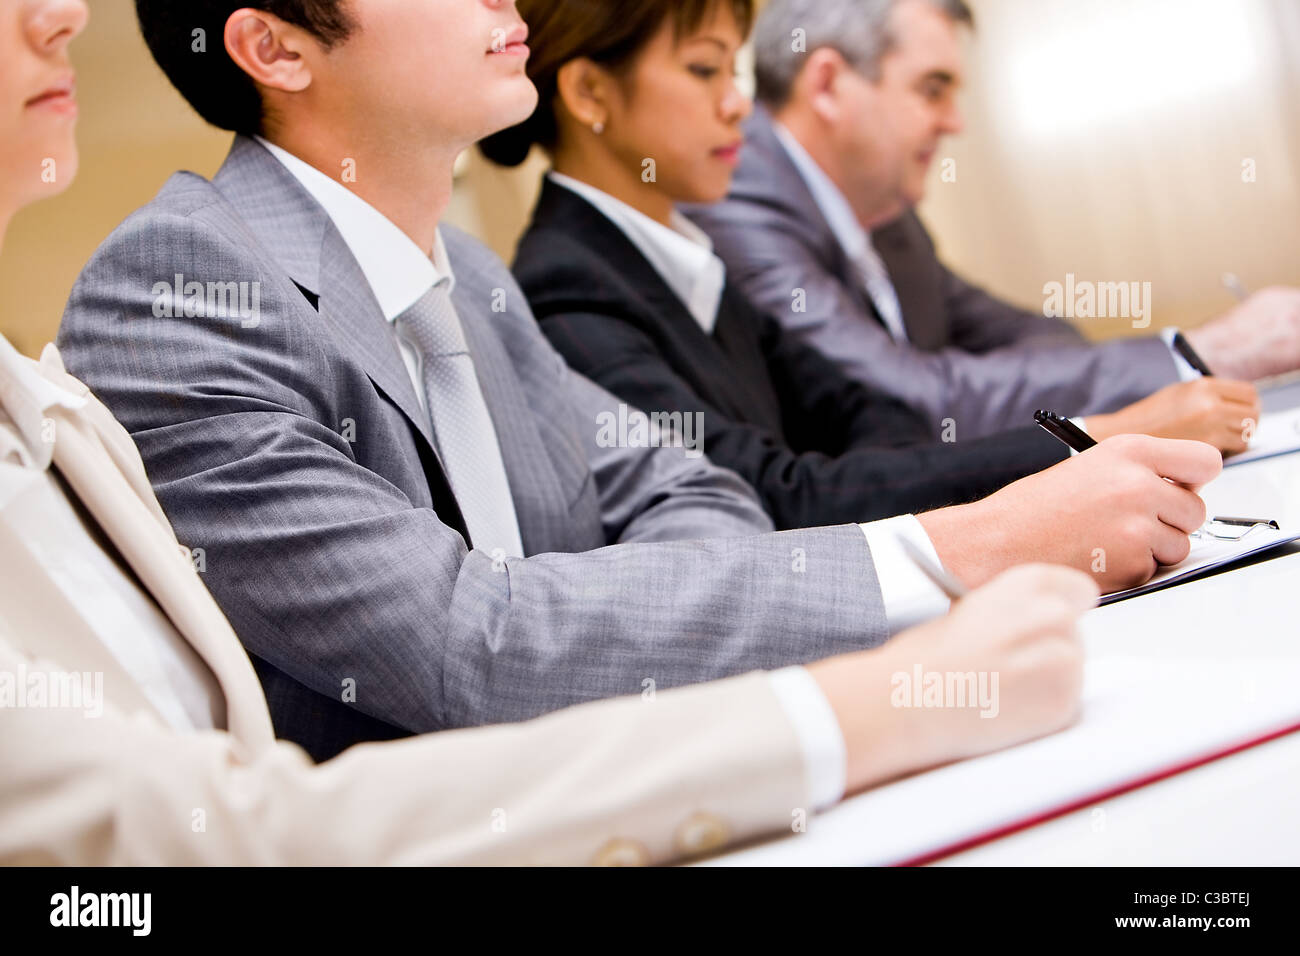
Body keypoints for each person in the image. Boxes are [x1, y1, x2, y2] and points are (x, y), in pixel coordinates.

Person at [2, 0, 1097, 867]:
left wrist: (589, 632)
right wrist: (940, 554)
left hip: (630, 799)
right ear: (276, 48)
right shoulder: (184, 285)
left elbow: (684, 487)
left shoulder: (472, 273)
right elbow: (466, 645)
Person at [688, 0, 1300, 442]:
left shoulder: (881, 209)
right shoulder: (733, 198)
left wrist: (1167, 370)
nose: (955, 122)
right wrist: (1199, 351)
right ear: (826, 84)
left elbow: (1032, 338)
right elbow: (903, 399)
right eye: (933, 89)